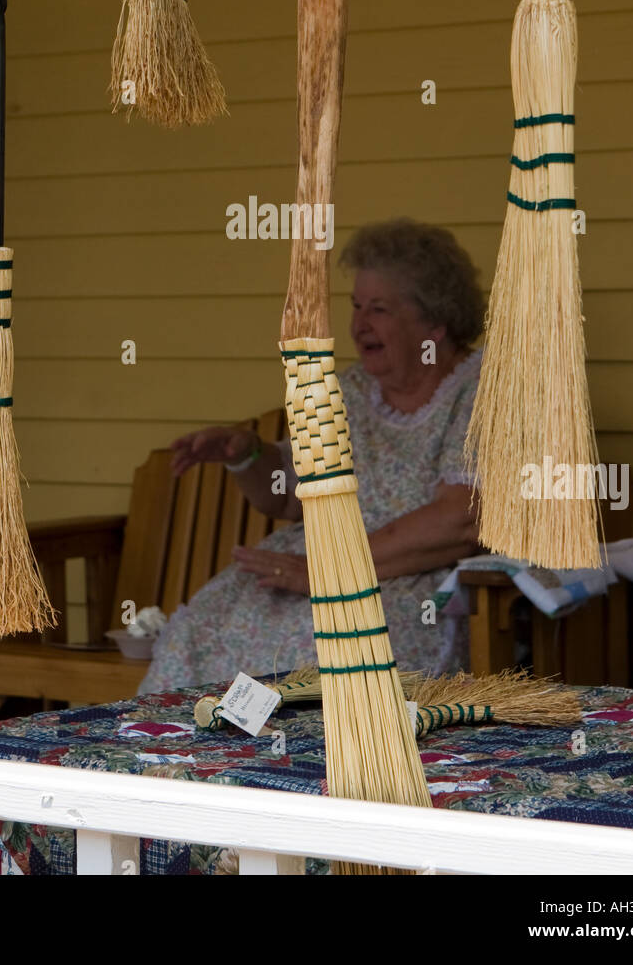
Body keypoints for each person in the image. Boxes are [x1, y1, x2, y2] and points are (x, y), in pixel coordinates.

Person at [139, 219, 485, 693]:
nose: (359, 324)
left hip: (411, 583)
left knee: (319, 647)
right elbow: (290, 497)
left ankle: (304, 768)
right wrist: (248, 456)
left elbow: (462, 518)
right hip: (316, 568)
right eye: (356, 305)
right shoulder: (349, 392)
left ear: (435, 323)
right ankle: (177, 762)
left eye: (379, 309)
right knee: (198, 628)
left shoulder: (480, 390)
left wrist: (331, 571)